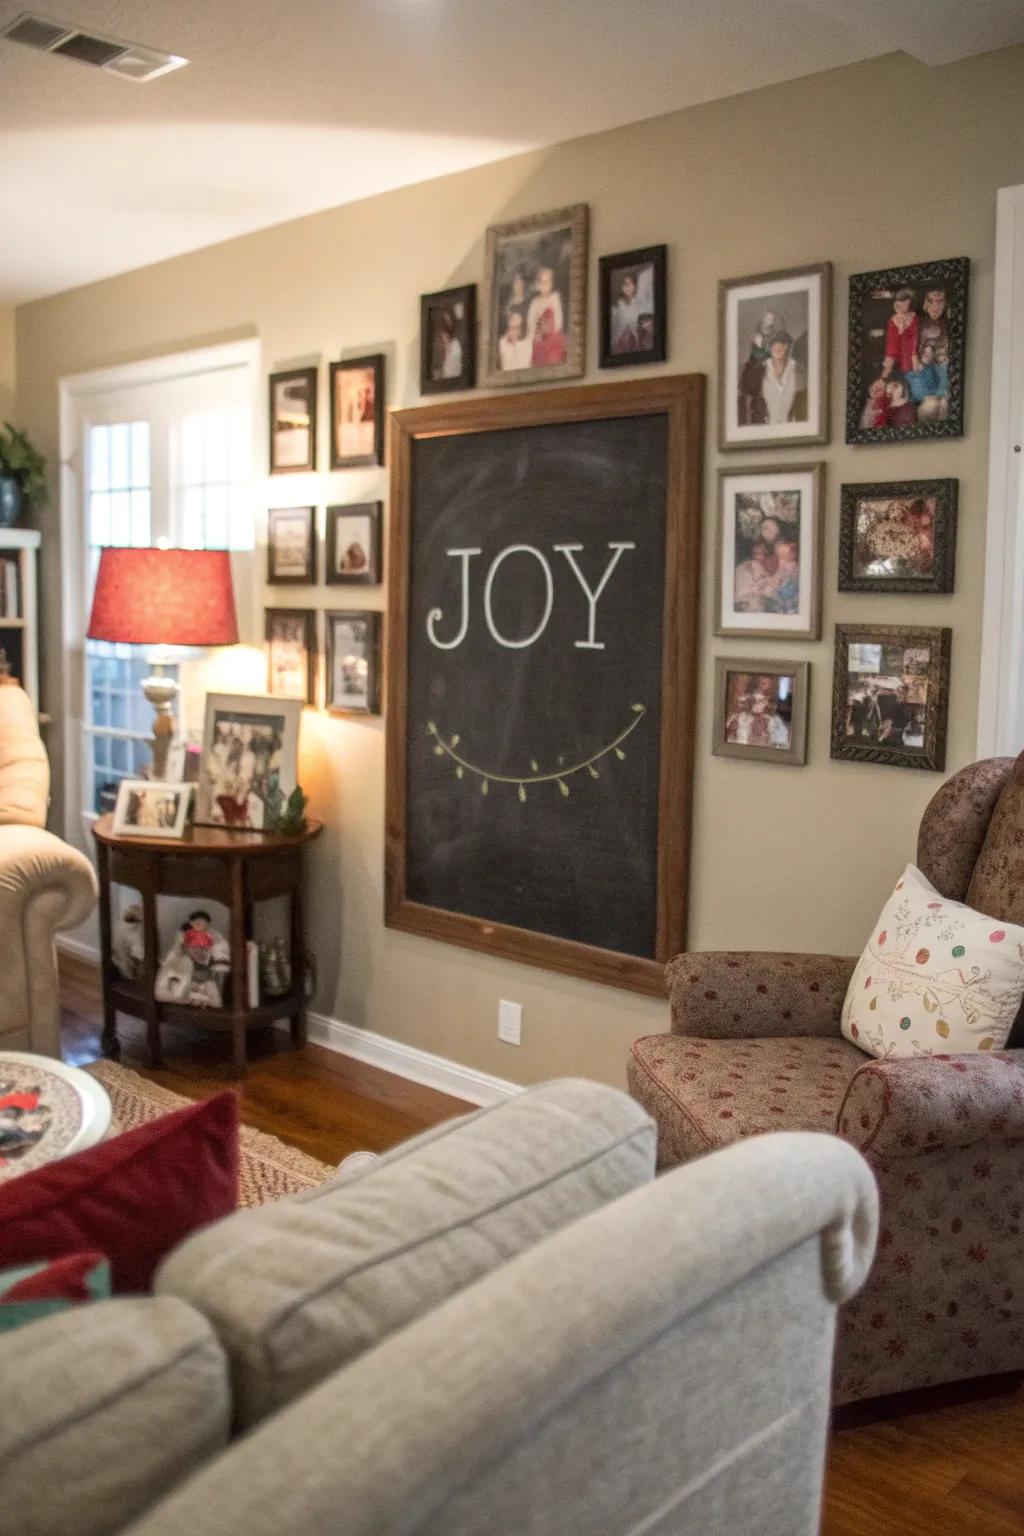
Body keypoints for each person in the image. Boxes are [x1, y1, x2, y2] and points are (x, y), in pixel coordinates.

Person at [760, 332, 803, 425]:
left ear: (789, 347)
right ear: (770, 347)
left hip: (792, 427)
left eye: (783, 344)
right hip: (766, 428)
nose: (778, 348)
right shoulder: (761, 368)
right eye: (775, 344)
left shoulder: (796, 368)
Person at [733, 540, 778, 612]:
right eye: (757, 554)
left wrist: (766, 575)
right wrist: (763, 577)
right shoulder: (754, 564)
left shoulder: (761, 564)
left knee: (770, 584)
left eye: (762, 554)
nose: (760, 557)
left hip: (758, 583)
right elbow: (756, 577)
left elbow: (764, 574)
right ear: (754, 555)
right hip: (754, 584)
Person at [526, 267, 564, 345]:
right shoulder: (535, 302)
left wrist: (554, 335)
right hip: (538, 339)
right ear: (538, 285)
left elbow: (558, 321)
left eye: (547, 282)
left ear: (551, 283)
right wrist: (534, 335)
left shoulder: (555, 299)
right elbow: (530, 322)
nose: (545, 286)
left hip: (553, 339)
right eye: (542, 283)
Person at [885, 287, 919, 375]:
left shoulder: (914, 317)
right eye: (900, 305)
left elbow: (916, 337)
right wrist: (900, 330)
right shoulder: (892, 321)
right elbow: (891, 344)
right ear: (896, 305)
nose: (903, 308)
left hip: (915, 352)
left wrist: (914, 355)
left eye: (906, 305)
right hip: (900, 355)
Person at [610, 271, 642, 354]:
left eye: (629, 284)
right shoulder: (617, 307)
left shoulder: (641, 305)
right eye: (624, 284)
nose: (626, 287)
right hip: (619, 345)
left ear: (635, 286)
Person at [917, 288, 948, 358]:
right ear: (925, 304)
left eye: (939, 302)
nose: (935, 306)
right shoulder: (919, 321)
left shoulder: (947, 323)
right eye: (930, 301)